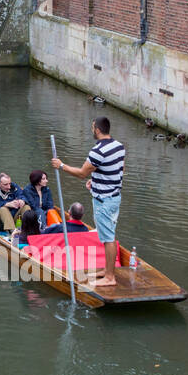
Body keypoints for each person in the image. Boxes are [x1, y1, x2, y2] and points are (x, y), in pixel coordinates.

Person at [52, 116, 126, 288]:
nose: (91, 130)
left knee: (108, 238)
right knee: (107, 234)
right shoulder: (119, 146)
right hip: (114, 196)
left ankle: (110, 277)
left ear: (97, 130)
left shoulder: (98, 150)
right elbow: (117, 168)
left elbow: (81, 173)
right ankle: (106, 271)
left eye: (92, 127)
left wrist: (61, 166)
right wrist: (97, 180)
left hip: (104, 200)